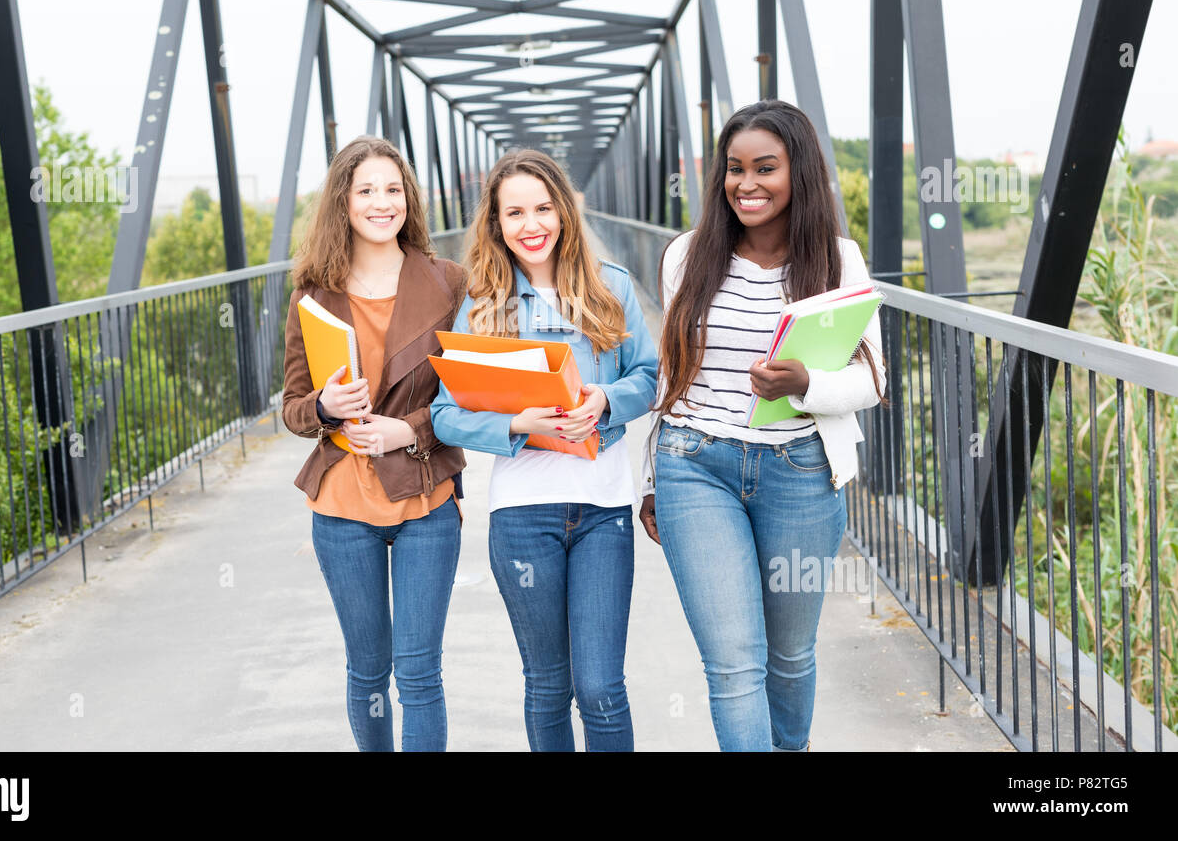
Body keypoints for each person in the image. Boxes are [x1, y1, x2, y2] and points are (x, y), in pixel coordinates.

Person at [638, 100, 886, 752]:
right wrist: (650, 480)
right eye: (734, 169)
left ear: (798, 173)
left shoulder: (837, 261)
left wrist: (807, 384)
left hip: (799, 473)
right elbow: (671, 378)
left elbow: (873, 380)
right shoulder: (686, 256)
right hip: (695, 466)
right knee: (733, 665)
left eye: (765, 169)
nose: (746, 184)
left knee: (790, 658)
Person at [430, 148, 657, 752]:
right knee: (549, 686)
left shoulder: (612, 288)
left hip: (603, 511)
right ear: (496, 225)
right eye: (514, 213)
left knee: (602, 687)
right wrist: (513, 424)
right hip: (522, 513)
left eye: (542, 208)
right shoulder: (482, 307)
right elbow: (445, 415)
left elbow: (650, 376)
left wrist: (605, 401)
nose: (531, 225)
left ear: (564, 210)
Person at [281, 135, 467, 752]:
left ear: (408, 200)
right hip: (341, 506)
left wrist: (410, 429)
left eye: (393, 189)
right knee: (368, 672)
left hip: (424, 496)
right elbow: (292, 408)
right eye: (366, 191)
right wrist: (325, 409)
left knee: (419, 673)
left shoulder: (449, 284)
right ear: (344, 201)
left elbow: (474, 396)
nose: (381, 203)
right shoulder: (313, 293)